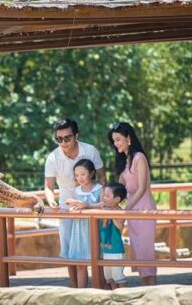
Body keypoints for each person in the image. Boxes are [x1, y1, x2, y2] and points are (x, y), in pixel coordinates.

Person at [43, 118, 106, 287]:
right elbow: (48, 186)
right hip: (66, 208)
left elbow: (101, 176)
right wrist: (51, 202)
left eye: (67, 138)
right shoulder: (52, 158)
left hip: (92, 205)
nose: (63, 142)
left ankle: (100, 285)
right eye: (59, 139)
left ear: (76, 136)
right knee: (70, 252)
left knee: (96, 247)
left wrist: (102, 200)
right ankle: (74, 288)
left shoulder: (90, 150)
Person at [108, 122, 157, 285]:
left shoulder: (139, 158)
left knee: (145, 251)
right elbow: (120, 189)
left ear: (129, 138)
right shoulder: (125, 161)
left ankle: (153, 289)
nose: (116, 144)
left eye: (118, 140)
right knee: (138, 251)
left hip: (144, 210)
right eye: (114, 141)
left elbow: (142, 188)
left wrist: (125, 210)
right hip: (132, 211)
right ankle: (147, 288)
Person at [65, 159, 103, 288]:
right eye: (77, 175)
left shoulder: (100, 189)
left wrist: (88, 206)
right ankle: (82, 292)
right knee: (80, 264)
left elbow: (104, 205)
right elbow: (75, 206)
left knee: (98, 263)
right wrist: (73, 207)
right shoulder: (76, 191)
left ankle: (100, 289)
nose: (79, 178)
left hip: (95, 229)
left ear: (92, 173)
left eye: (83, 174)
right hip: (79, 229)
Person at [100, 182, 128, 289]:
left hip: (116, 250)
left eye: (107, 196)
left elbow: (120, 227)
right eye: (104, 195)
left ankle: (124, 296)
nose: (104, 198)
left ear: (117, 199)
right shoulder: (103, 209)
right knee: (109, 277)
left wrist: (110, 213)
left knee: (118, 276)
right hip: (105, 248)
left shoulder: (120, 211)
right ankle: (114, 295)